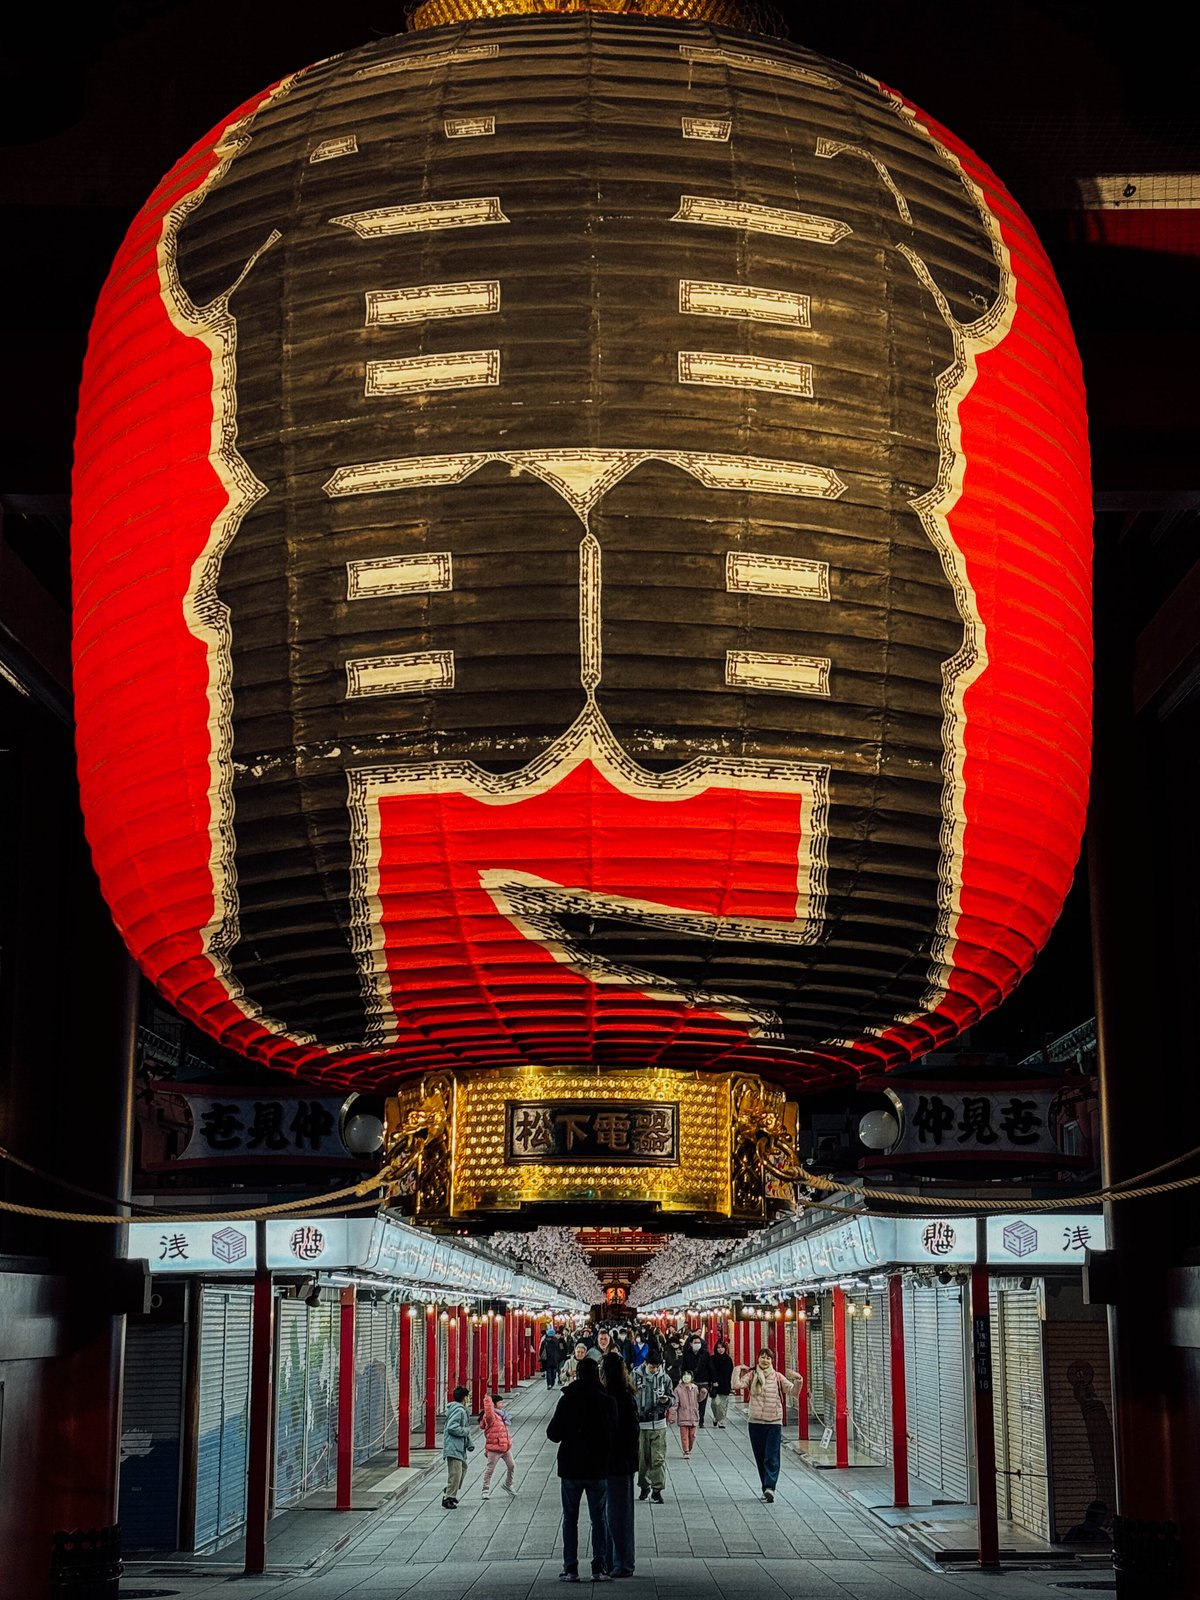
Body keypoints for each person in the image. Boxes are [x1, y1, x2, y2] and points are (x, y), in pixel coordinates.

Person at [547, 1354, 617, 1583]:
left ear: (577, 1373)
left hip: (571, 1468)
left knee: (570, 1519)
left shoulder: (567, 1400)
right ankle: (600, 1567)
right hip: (597, 1468)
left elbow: (553, 1434)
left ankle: (571, 1568)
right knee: (599, 1519)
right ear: (597, 1375)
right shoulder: (607, 1401)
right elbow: (614, 1433)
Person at [731, 1348, 804, 1502]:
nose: (765, 1360)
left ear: (772, 1361)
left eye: (768, 1358)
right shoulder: (751, 1376)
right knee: (760, 1456)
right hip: (755, 1422)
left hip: (774, 1422)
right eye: (762, 1357)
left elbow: (792, 1392)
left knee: (771, 1456)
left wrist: (798, 1380)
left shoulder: (778, 1377)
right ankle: (765, 1487)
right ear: (758, 1359)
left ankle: (770, 1486)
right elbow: (736, 1385)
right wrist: (738, 1369)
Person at [600, 1350, 639, 1578]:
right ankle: (618, 1560)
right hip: (622, 1462)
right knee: (619, 1513)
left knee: (611, 1513)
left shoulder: (610, 1397)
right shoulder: (626, 1395)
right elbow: (632, 1431)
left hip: (612, 1461)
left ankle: (620, 1562)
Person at [633, 1348, 674, 1504]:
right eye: (652, 1367)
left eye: (657, 1367)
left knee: (658, 1458)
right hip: (641, 1425)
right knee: (642, 1459)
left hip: (658, 1424)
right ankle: (644, 1486)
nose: (655, 1369)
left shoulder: (665, 1379)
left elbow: (673, 1397)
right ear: (646, 1363)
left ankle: (657, 1490)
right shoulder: (635, 1376)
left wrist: (666, 1401)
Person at [442, 1384, 475, 1509]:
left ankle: (451, 1490)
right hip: (453, 1446)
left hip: (458, 1447)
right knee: (455, 1473)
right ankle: (448, 1497)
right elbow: (452, 1427)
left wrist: (469, 1443)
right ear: (464, 1398)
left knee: (462, 1469)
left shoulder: (459, 1409)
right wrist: (465, 1431)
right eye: (468, 1397)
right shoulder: (459, 1410)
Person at [479, 1391, 516, 1499]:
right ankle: (485, 1490)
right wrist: (487, 1400)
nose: (502, 1405)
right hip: (494, 1448)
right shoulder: (490, 1417)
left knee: (512, 1465)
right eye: (500, 1403)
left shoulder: (502, 1416)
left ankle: (508, 1484)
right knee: (490, 1469)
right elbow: (489, 1412)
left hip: (504, 1446)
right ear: (494, 1404)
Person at [683, 1334, 712, 1425]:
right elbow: (684, 1367)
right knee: (692, 1401)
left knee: (702, 1401)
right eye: (695, 1342)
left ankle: (701, 1420)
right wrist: (684, 1378)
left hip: (704, 1381)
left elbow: (710, 1367)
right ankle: (693, 1418)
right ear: (691, 1344)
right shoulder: (687, 1354)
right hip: (692, 1381)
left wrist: (712, 1380)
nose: (697, 1344)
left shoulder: (705, 1353)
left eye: (699, 1342)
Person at [671, 1370, 700, 1457]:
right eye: (685, 1375)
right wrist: (672, 1414)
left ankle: (689, 1448)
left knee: (692, 1435)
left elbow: (698, 1399)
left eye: (688, 1375)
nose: (686, 1377)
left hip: (694, 1416)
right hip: (683, 1416)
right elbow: (675, 1403)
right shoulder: (678, 1389)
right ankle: (686, 1450)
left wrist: (703, 1394)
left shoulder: (695, 1388)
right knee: (684, 1436)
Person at [707, 1338, 734, 1428]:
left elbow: (729, 1373)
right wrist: (713, 1381)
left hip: (725, 1385)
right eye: (718, 1347)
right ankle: (716, 1417)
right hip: (715, 1385)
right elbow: (710, 1371)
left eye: (722, 1347)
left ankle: (721, 1421)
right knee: (714, 1404)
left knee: (722, 1404)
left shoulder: (728, 1360)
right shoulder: (712, 1359)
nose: (720, 1349)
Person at [540, 1325, 562, 1389]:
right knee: (553, 1371)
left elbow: (541, 1350)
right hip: (555, 1359)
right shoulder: (557, 1341)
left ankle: (549, 1384)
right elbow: (560, 1350)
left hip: (547, 1359)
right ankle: (552, 1383)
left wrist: (541, 1357)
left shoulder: (545, 1341)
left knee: (548, 1371)